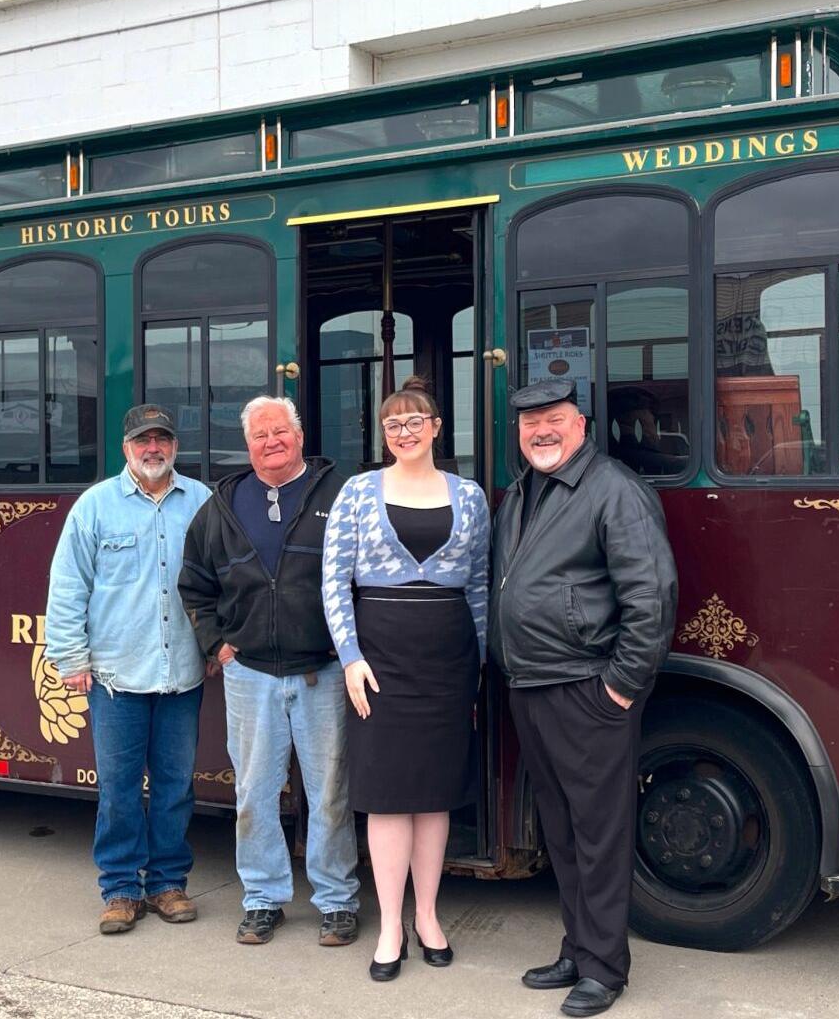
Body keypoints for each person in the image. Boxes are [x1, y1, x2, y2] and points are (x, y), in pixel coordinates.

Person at [489, 378, 677, 1018]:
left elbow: (650, 596)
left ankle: (603, 968)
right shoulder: (523, 490)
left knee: (598, 833)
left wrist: (620, 686)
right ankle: (578, 947)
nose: (540, 431)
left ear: (581, 425)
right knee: (563, 831)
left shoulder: (614, 490)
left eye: (554, 419)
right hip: (532, 684)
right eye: (529, 422)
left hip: (586, 687)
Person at [320, 376, 490, 982]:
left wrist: (478, 662)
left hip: (448, 659)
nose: (405, 431)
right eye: (393, 424)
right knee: (388, 794)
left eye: (416, 421)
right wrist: (350, 657)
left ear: (437, 428)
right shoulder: (358, 491)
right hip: (379, 658)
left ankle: (428, 916)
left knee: (434, 794)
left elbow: (478, 584)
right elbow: (333, 579)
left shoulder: (470, 496)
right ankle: (390, 924)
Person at [179, 396, 361, 947]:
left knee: (329, 792)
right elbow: (194, 584)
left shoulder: (340, 493)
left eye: (280, 431)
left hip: (322, 672)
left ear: (299, 436)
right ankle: (262, 899)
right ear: (248, 445)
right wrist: (217, 645)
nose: (271, 442)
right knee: (254, 793)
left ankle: (337, 901)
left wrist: (350, 649)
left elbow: (364, 578)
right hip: (250, 673)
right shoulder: (222, 505)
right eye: (259, 435)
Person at [43, 404, 212, 935]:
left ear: (175, 447)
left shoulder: (202, 502)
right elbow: (68, 585)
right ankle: (119, 888)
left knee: (174, 786)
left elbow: (222, 580)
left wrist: (218, 643)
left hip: (182, 672)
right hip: (116, 676)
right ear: (126, 448)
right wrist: (71, 657)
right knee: (118, 789)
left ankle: (167, 883)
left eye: (162, 439)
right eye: (143, 440)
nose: (152, 449)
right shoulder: (94, 507)